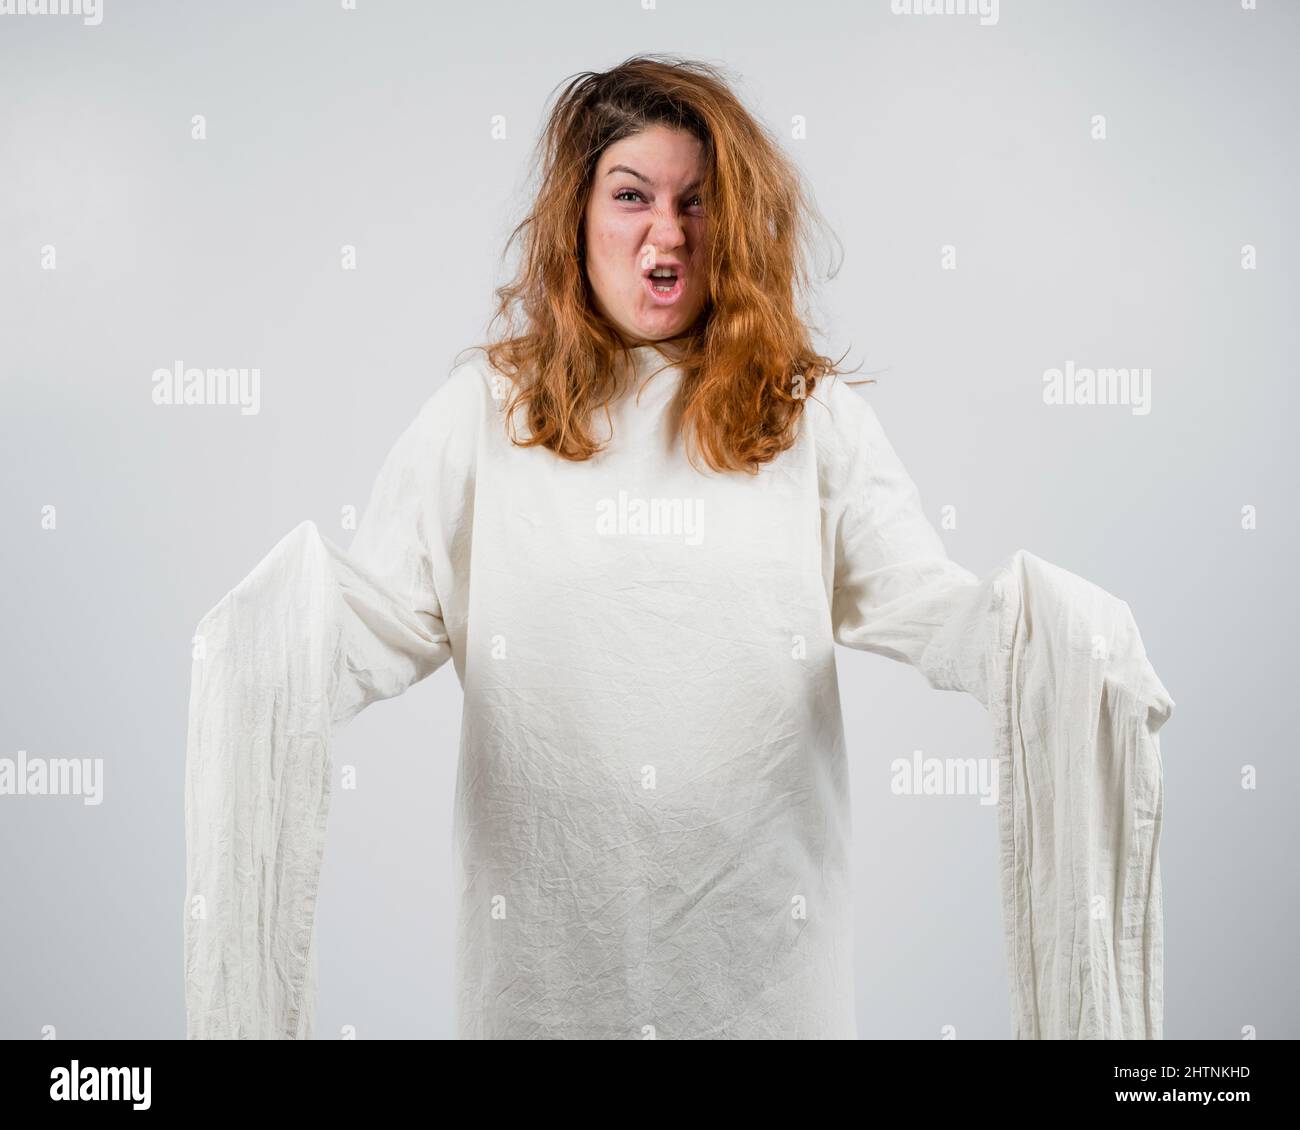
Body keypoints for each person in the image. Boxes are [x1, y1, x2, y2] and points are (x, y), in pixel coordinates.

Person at [184, 54, 1174, 1040]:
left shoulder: (803, 417)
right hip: (540, 982)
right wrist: (273, 634)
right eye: (631, 196)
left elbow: (929, 607)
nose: (666, 232)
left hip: (761, 975)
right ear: (577, 217)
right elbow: (379, 620)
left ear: (732, 226)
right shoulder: (485, 414)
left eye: (697, 202)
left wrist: (1049, 639)